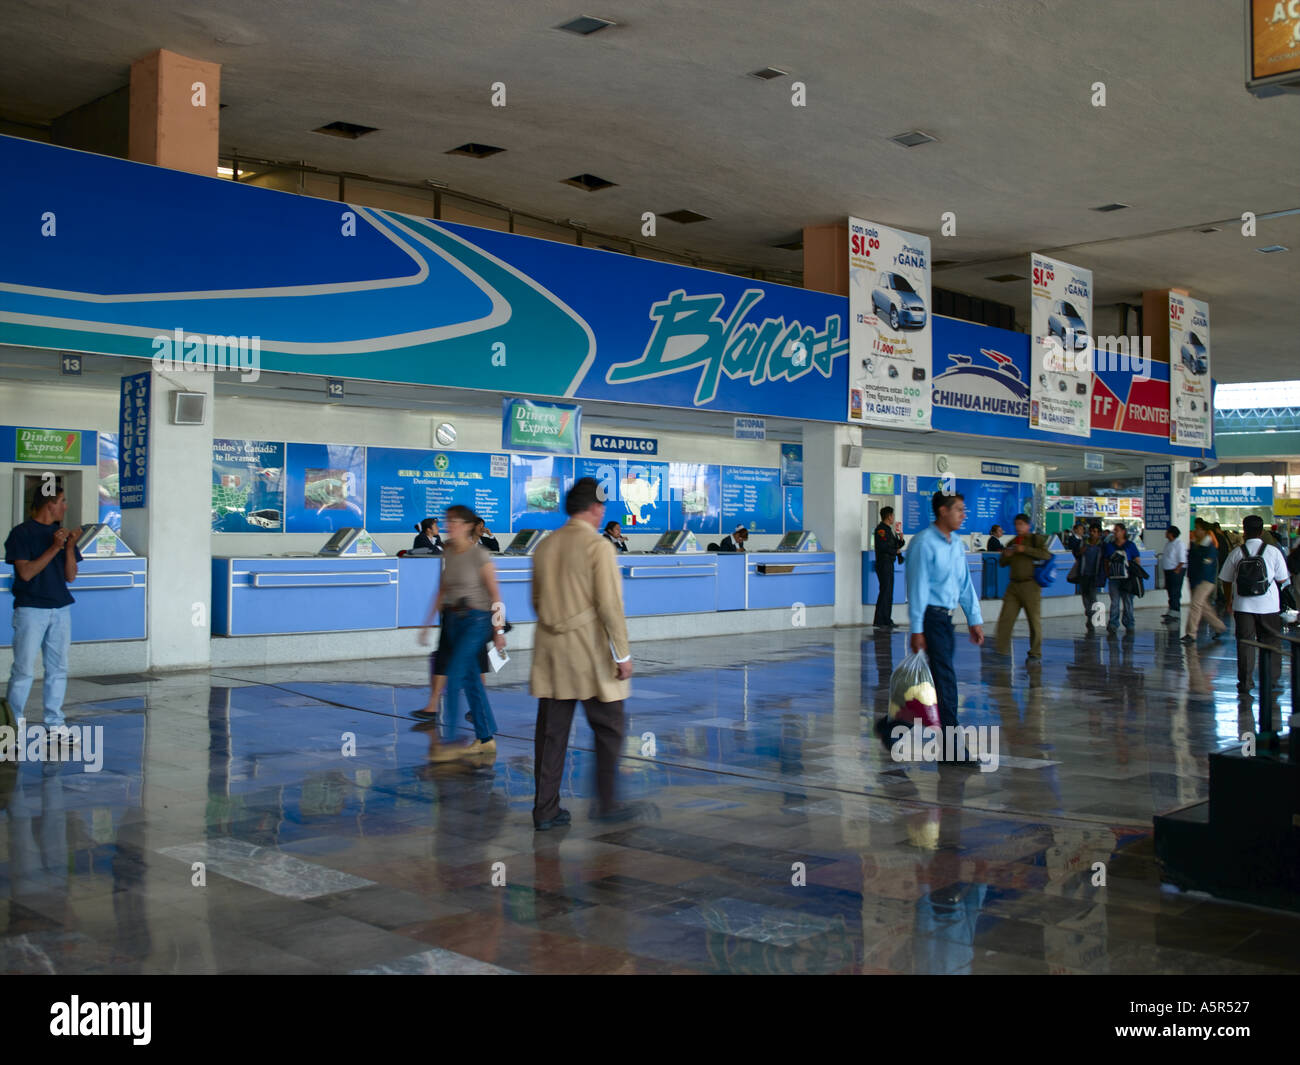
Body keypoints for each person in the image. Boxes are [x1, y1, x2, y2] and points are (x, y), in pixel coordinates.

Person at [530, 477, 636, 829]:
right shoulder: (598, 547)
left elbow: (535, 601)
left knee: (551, 734)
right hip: (589, 653)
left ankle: (545, 811)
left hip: (551, 652)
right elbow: (610, 605)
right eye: (601, 506)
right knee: (610, 728)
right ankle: (607, 803)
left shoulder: (545, 546)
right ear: (595, 508)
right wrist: (622, 654)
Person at [874, 491, 984, 761]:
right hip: (931, 618)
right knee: (945, 683)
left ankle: (890, 729)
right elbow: (918, 587)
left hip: (946, 619)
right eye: (959, 509)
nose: (963, 514)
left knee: (934, 682)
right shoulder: (923, 543)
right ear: (943, 512)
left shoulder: (956, 544)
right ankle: (952, 749)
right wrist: (917, 629)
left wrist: (974, 619)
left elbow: (964, 583)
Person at [418, 504, 506, 761]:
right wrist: (426, 624)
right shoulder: (449, 553)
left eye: (455, 522)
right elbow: (442, 590)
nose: (449, 526)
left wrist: (498, 630)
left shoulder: (480, 555)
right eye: (448, 522)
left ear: (468, 526)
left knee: (454, 674)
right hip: (453, 620)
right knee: (470, 681)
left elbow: (495, 594)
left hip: (477, 620)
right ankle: (486, 738)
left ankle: (451, 740)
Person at [3, 488, 82, 752]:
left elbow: (71, 576)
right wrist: (54, 547)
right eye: (62, 501)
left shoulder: (61, 534)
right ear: (49, 505)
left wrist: (69, 547)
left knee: (58, 668)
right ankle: (13, 725)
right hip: (31, 609)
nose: (65, 507)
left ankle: (55, 724)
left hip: (60, 609)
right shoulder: (22, 533)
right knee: (24, 669)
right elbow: (25, 573)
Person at [1219, 514, 1291, 693]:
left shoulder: (1236, 552)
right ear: (1261, 531)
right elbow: (1283, 580)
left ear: (1244, 531)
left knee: (1245, 643)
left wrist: (1229, 600)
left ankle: (1245, 682)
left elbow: (1225, 580)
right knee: (1271, 642)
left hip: (1243, 607)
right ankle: (1271, 680)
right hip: (1269, 607)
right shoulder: (1273, 551)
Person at [995, 513, 1051, 660]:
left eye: (1021, 524)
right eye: (1016, 524)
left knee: (1033, 620)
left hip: (1030, 585)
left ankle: (1035, 652)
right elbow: (1002, 563)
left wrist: (1025, 550)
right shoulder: (1012, 542)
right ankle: (1001, 650)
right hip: (1014, 585)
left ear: (1028, 525)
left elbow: (1046, 555)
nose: (1018, 527)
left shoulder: (1035, 540)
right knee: (1006, 618)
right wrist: (1006, 555)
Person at [1182, 519, 1227, 644]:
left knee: (1196, 605)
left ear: (1205, 531)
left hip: (1205, 581)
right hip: (1195, 580)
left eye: (1198, 528)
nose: (1195, 530)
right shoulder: (1195, 545)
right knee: (1204, 607)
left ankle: (1191, 634)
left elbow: (1206, 566)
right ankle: (1219, 627)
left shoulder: (1210, 548)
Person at [1102, 522, 1141, 635]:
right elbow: (1106, 560)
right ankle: (1113, 623)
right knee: (1115, 601)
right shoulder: (1110, 546)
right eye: (1114, 530)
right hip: (1114, 578)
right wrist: (1108, 572)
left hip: (1128, 579)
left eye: (1117, 530)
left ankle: (1129, 623)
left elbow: (1137, 559)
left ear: (1123, 532)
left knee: (1128, 601)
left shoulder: (1130, 545)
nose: (1115, 532)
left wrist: (1135, 573)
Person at [872, 507, 905, 629]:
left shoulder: (888, 530)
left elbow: (894, 545)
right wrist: (895, 551)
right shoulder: (881, 530)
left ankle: (886, 619)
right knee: (885, 592)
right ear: (889, 516)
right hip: (884, 564)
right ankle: (881, 620)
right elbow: (884, 547)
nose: (893, 518)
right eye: (892, 515)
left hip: (888, 563)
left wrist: (901, 540)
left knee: (888, 592)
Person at [1074, 523, 1106, 634]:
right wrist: (1080, 552)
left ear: (1099, 533)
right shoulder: (1084, 543)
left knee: (1092, 596)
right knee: (1085, 597)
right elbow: (1077, 554)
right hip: (1084, 574)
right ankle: (1089, 615)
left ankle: (1092, 618)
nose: (1093, 533)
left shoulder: (1102, 545)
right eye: (1091, 531)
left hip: (1095, 575)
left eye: (1095, 531)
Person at [1159, 525, 1187, 623]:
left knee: (1175, 591)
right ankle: (1171, 611)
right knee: (1170, 591)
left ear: (1171, 533)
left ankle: (1175, 613)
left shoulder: (1179, 544)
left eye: (1167, 532)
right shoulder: (1169, 543)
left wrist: (1177, 569)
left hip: (1176, 571)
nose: (1165, 533)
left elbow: (1182, 559)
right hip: (1168, 571)